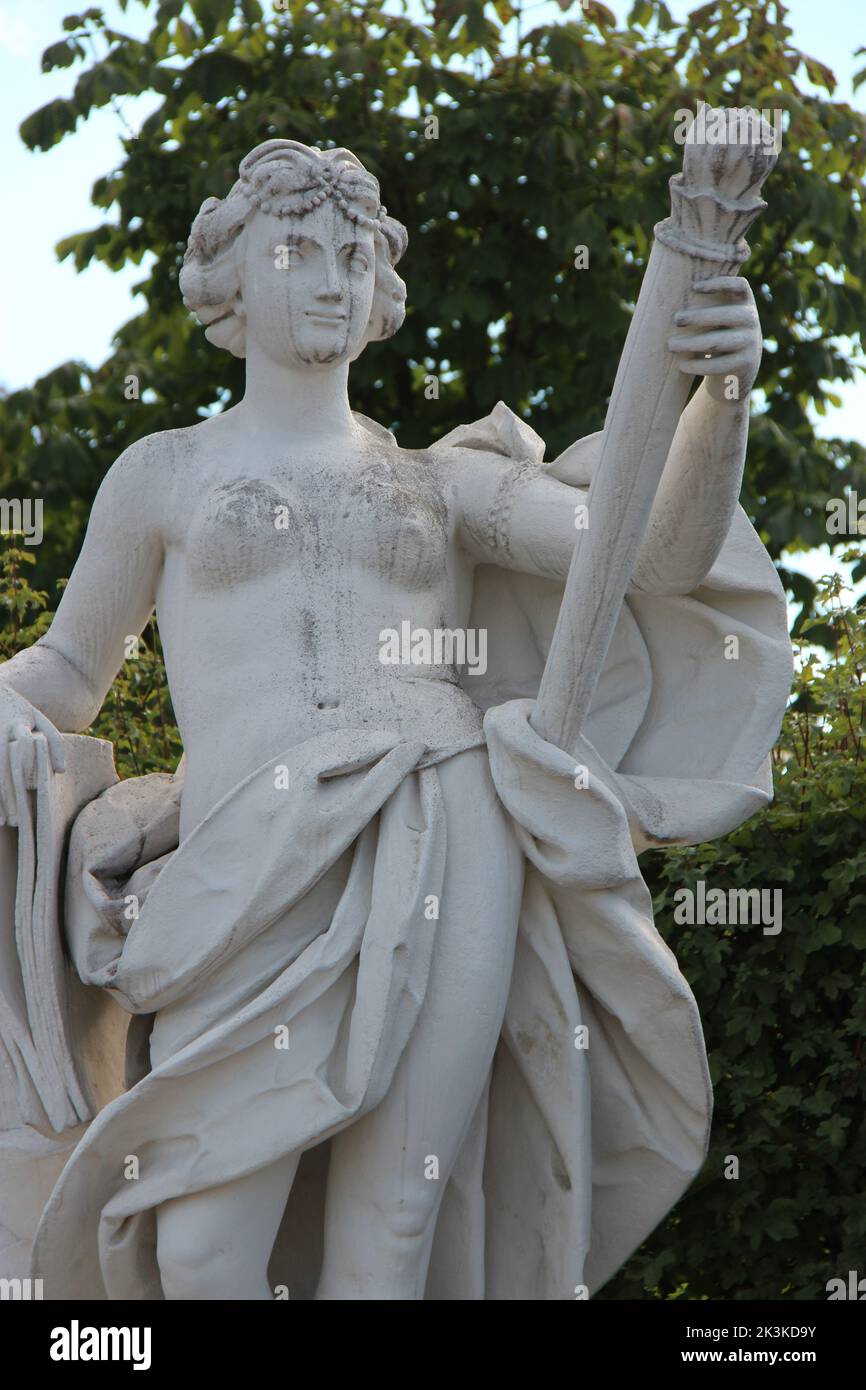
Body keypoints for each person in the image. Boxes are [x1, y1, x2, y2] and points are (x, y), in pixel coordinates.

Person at [0, 139, 791, 1300]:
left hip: (440, 816)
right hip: (239, 861)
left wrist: (719, 396)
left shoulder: (438, 480)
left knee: (398, 1216)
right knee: (201, 1243)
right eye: (295, 249)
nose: (327, 276)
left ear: (379, 292)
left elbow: (651, 556)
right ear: (229, 274)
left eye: (351, 254)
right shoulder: (161, 472)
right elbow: (68, 670)